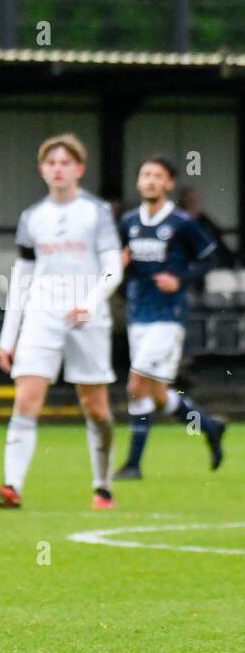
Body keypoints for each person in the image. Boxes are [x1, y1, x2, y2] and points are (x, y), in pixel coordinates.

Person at [0, 134, 123, 510]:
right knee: (26, 400)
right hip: (42, 315)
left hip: (87, 317)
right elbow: (23, 276)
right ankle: (12, 486)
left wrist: (93, 303)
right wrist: (8, 336)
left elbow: (113, 268)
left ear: (79, 168)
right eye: (51, 163)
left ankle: (103, 485)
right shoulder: (32, 218)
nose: (58, 169)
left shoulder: (96, 213)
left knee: (96, 410)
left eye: (65, 163)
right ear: (42, 169)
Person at [114, 158, 226, 478]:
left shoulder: (181, 223)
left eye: (157, 176)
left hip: (168, 316)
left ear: (169, 184)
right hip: (139, 314)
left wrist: (181, 278)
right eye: (145, 174)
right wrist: (120, 264)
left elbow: (209, 258)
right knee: (159, 395)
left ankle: (133, 464)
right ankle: (209, 427)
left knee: (137, 383)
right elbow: (119, 263)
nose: (150, 180)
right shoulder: (128, 223)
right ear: (138, 182)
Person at [176, 187, 235, 269]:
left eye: (195, 200)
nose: (193, 203)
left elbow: (218, 240)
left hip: (216, 266)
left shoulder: (204, 220)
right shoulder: (177, 221)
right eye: (189, 200)